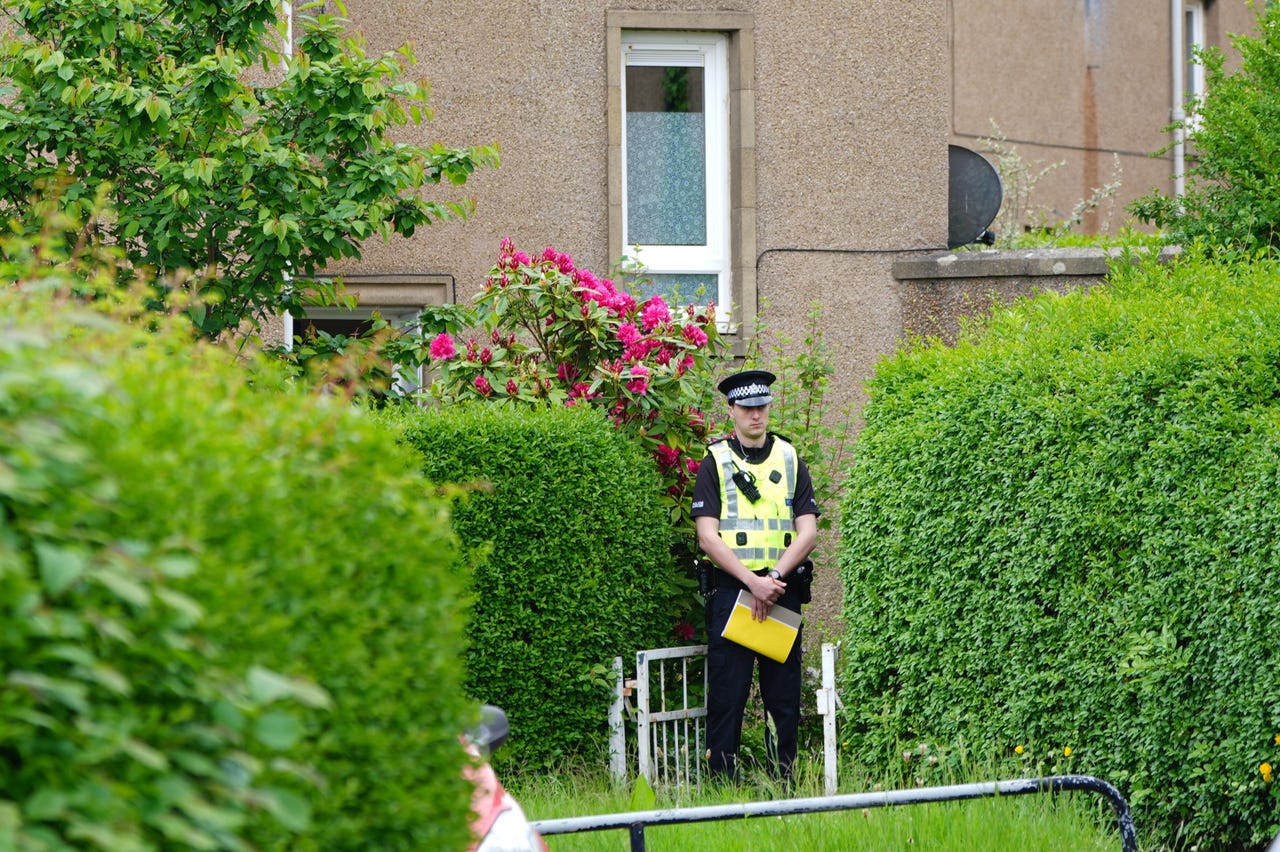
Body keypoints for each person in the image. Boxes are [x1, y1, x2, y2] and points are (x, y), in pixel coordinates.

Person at [691, 368, 821, 783]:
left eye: (762, 406)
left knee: (783, 699)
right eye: (746, 408)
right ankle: (720, 790)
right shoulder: (715, 461)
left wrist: (774, 579)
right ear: (731, 411)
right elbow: (707, 538)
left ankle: (784, 785)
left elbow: (809, 531)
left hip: (781, 591)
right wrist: (753, 582)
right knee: (727, 698)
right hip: (733, 594)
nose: (756, 415)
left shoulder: (789, 456)